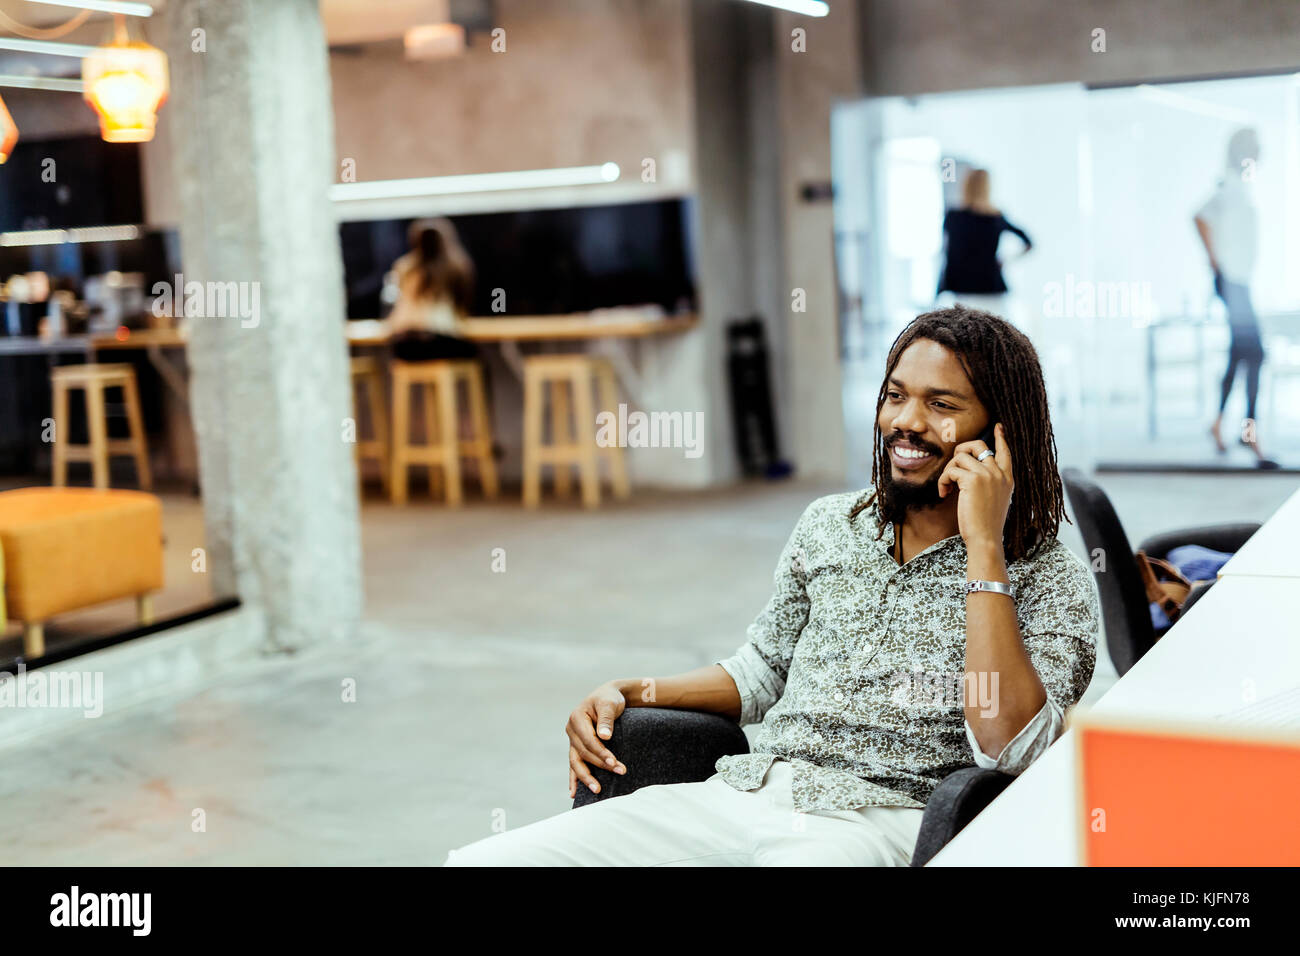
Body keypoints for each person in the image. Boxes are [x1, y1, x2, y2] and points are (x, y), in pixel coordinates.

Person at [444, 304, 1100, 867]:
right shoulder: (830, 526)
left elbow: (1012, 748)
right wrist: (630, 688)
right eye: (896, 395)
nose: (905, 422)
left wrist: (984, 546)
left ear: (1000, 431)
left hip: (880, 820)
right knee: (486, 861)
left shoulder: (1050, 578)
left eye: (941, 405)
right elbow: (761, 670)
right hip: (750, 792)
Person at [1196, 127, 1273, 466]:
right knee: (1256, 354)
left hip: (1239, 282)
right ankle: (1248, 433)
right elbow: (1199, 217)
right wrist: (1217, 263)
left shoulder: (1241, 187)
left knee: (1240, 355)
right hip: (1233, 284)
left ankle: (1219, 424)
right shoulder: (1229, 187)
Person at [936, 168, 1032, 319]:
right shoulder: (996, 218)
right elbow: (1028, 242)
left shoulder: (953, 217)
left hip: (961, 289)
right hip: (991, 287)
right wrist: (1005, 259)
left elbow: (947, 253)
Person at [383, 217, 478, 362]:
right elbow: (461, 307)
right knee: (477, 358)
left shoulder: (404, 267)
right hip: (439, 339)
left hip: (404, 344)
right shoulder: (455, 267)